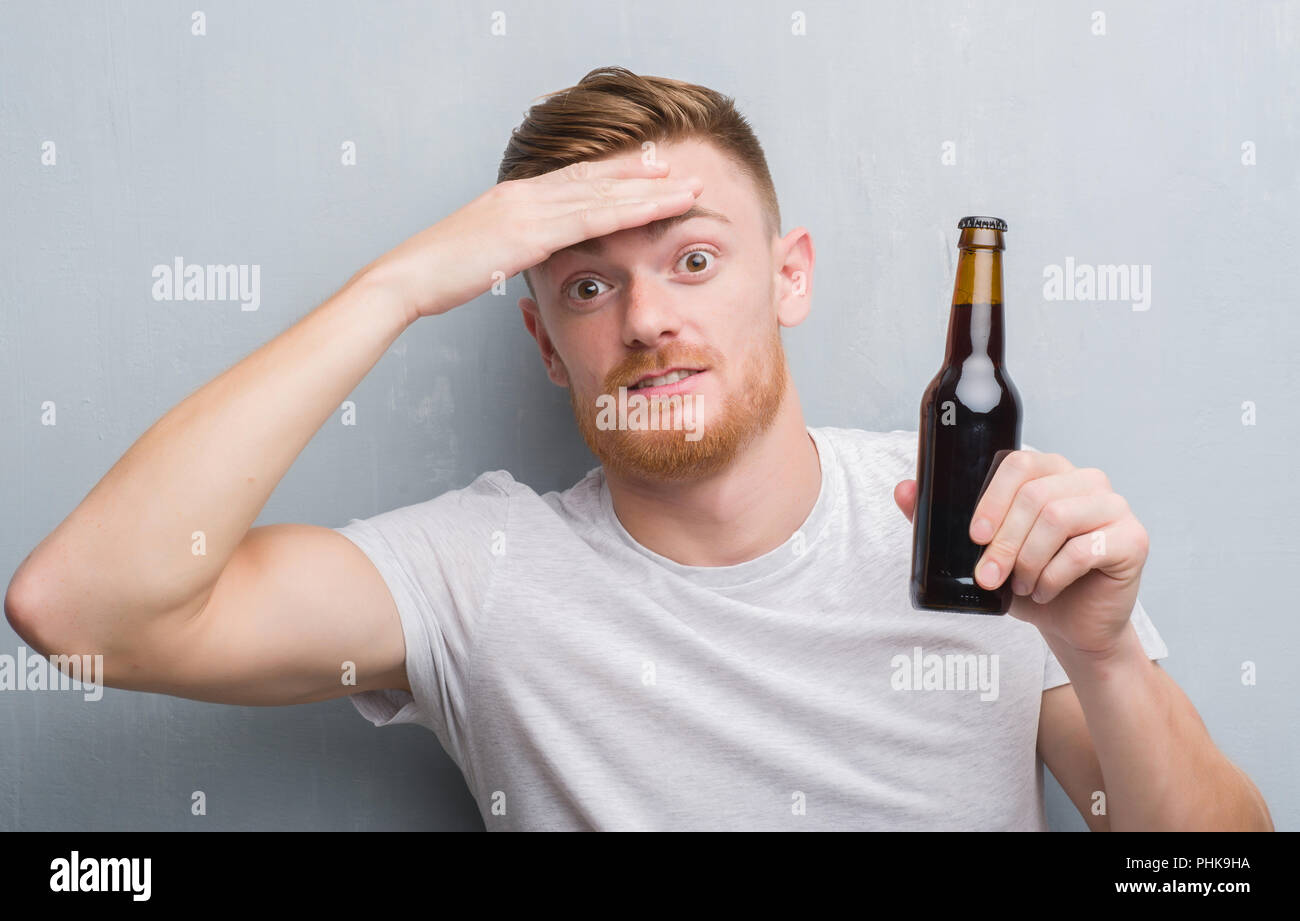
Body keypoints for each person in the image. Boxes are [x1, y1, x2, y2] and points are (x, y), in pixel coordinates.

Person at [4, 66, 1272, 832]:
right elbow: (74, 610)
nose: (652, 317)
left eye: (694, 260)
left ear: (790, 279)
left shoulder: (970, 525)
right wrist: (395, 285)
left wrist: (1100, 655)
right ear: (547, 345)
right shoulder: (476, 573)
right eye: (589, 287)